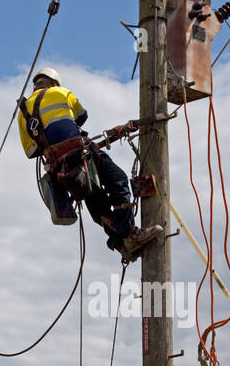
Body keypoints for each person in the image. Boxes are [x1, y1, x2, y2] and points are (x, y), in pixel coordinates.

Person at [17, 68, 162, 261]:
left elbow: (31, 152)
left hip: (61, 169)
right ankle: (130, 234)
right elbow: (82, 116)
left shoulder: (23, 112)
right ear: (53, 83)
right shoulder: (60, 92)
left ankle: (120, 243)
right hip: (82, 154)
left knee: (95, 200)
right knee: (117, 180)